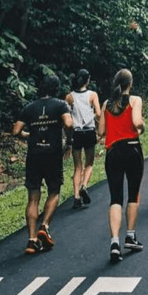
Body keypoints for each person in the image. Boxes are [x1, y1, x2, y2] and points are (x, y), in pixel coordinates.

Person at [12, 73, 73, 254]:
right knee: (54, 191)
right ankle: (44, 226)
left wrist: (28, 135)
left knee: (33, 197)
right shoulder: (60, 105)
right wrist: (68, 142)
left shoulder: (30, 107)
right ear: (56, 88)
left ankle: (31, 241)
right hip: (53, 154)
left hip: (34, 155)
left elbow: (16, 130)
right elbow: (69, 124)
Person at [98, 68, 145, 262]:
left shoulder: (107, 104)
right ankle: (130, 236)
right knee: (133, 194)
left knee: (115, 197)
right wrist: (142, 126)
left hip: (113, 153)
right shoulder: (135, 101)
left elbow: (100, 131)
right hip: (133, 150)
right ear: (130, 84)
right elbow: (136, 122)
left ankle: (114, 242)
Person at [65, 68, 102, 209]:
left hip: (76, 133)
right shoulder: (93, 95)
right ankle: (84, 186)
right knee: (89, 163)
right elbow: (98, 114)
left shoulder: (69, 97)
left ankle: (76, 196)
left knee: (77, 166)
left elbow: (67, 118)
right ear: (88, 80)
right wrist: (91, 114)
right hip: (89, 131)